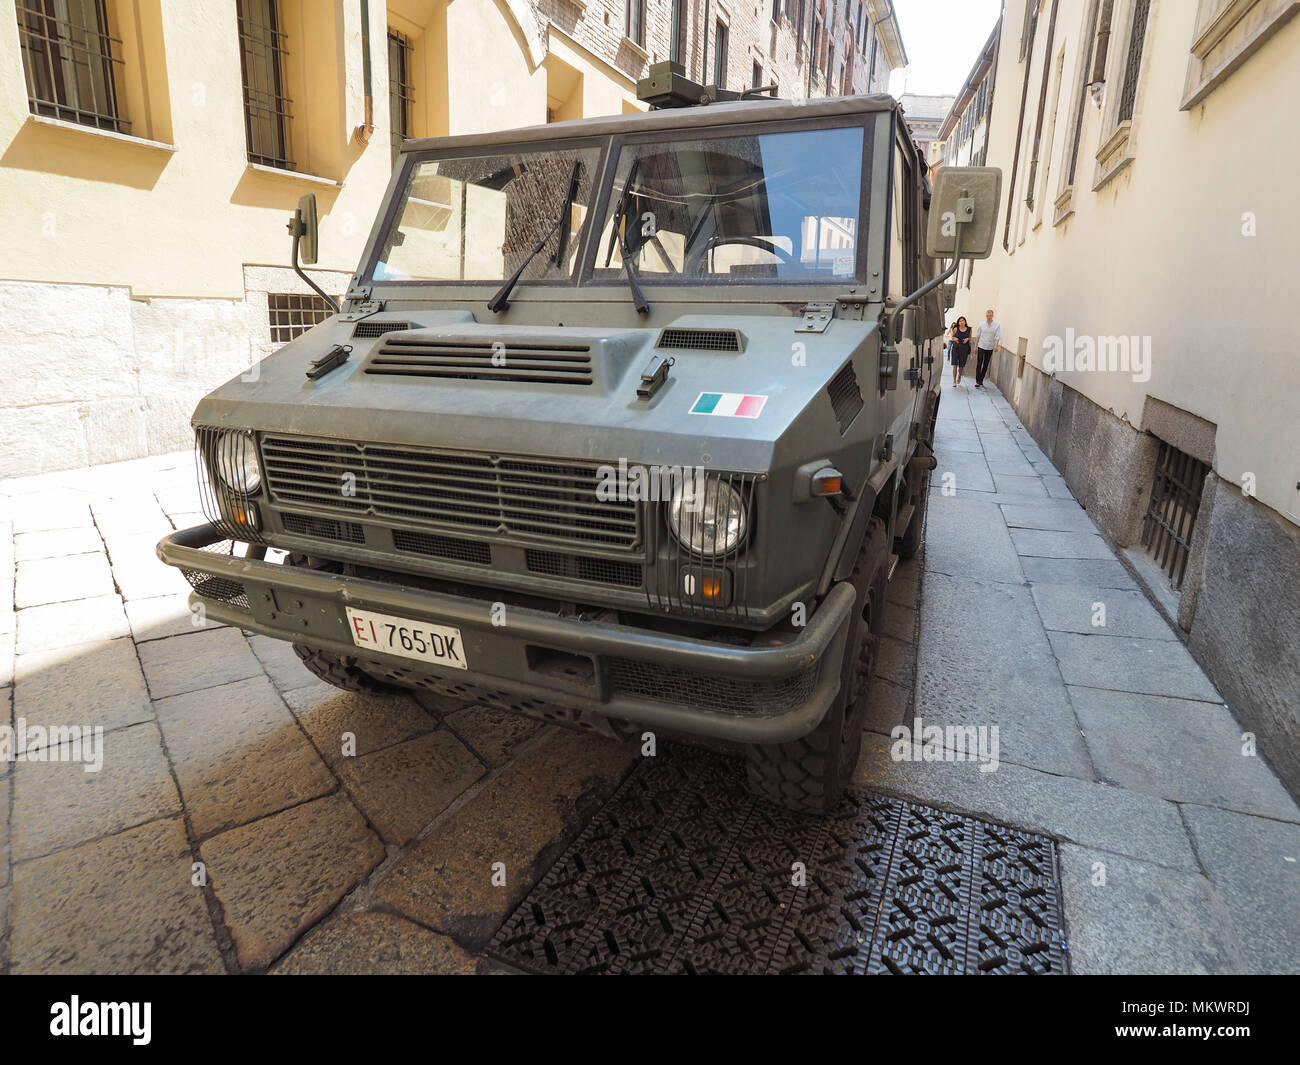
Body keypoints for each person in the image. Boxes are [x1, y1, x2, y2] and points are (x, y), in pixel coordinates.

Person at [974, 309, 1001, 388]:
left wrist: (996, 345)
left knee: (986, 364)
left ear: (993, 316)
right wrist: (975, 346)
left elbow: (997, 336)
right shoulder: (981, 324)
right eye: (987, 316)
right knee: (979, 362)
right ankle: (977, 381)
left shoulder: (997, 325)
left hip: (990, 346)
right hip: (981, 345)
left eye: (990, 316)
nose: (989, 317)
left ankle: (981, 380)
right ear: (986, 316)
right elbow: (978, 335)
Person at [948, 316, 971, 387]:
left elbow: (970, 337)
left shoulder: (969, 329)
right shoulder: (955, 328)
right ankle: (954, 381)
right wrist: (954, 338)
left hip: (964, 348)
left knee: (961, 366)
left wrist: (967, 339)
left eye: (963, 320)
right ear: (958, 322)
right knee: (954, 365)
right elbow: (952, 336)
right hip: (956, 348)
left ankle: (959, 376)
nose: (961, 322)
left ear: (965, 322)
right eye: (960, 321)